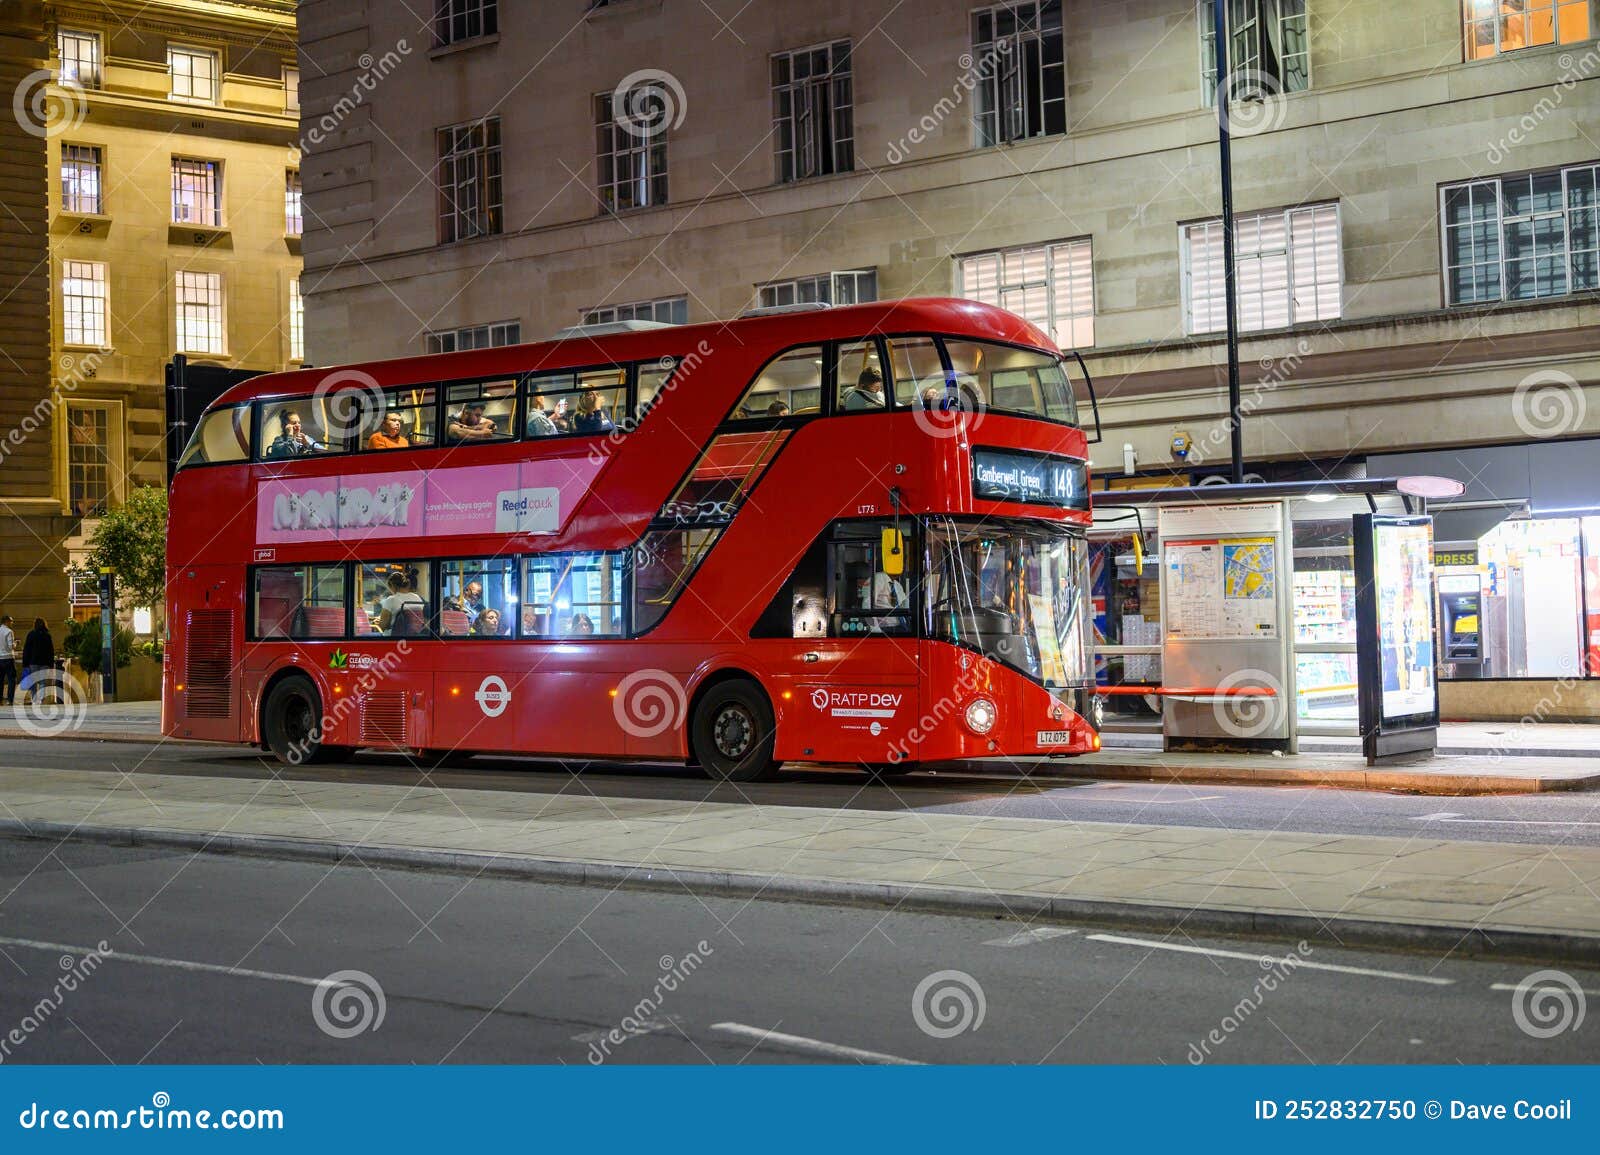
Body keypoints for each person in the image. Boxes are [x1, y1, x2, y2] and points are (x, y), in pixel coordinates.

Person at [374, 570, 425, 636]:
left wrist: (377, 623)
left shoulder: (391, 599)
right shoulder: (417, 597)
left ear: (392, 585)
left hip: (393, 637)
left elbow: (382, 627)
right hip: (414, 636)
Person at [20, 618, 54, 705]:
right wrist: (51, 663)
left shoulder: (31, 634)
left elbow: (27, 649)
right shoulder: (47, 635)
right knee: (43, 681)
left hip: (33, 661)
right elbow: (50, 651)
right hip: (45, 662)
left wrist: (25, 663)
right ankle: (41, 699)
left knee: (33, 681)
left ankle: (35, 699)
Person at [0, 614, 15, 705]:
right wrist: (15, 644)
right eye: (11, 621)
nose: (12, 623)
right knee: (11, 679)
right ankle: (10, 699)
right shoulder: (9, 631)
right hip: (8, 658)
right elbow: (10, 647)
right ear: (7, 621)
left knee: (0, 679)